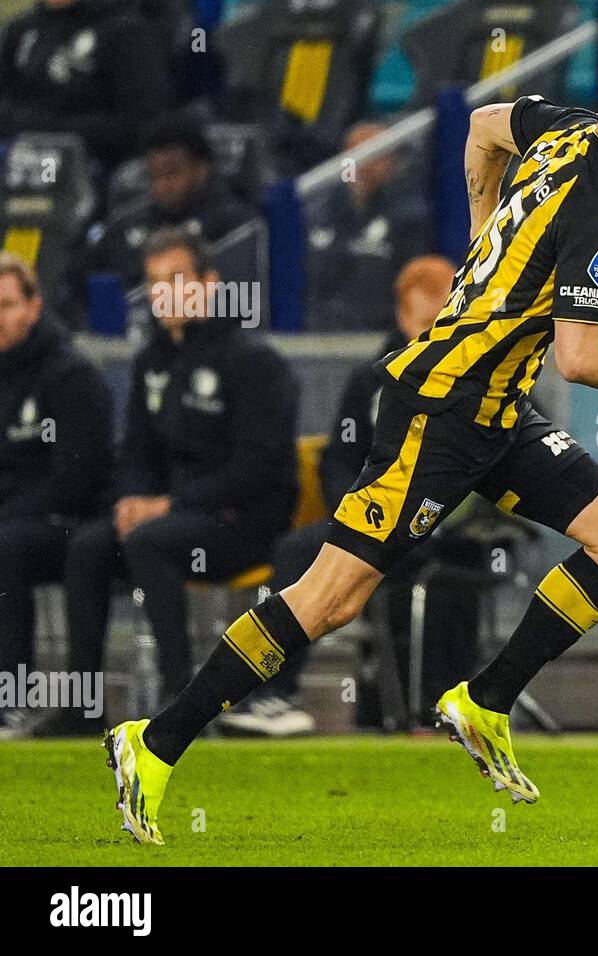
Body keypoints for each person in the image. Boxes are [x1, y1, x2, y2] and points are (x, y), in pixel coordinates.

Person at [102, 35, 598, 844]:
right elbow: (581, 359)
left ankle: (483, 701)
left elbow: (482, 125)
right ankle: (155, 743)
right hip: (439, 411)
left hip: (499, 410)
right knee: (330, 599)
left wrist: (482, 229)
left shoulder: (567, 127)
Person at [28, 228, 299, 737]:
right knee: (87, 546)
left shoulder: (254, 361)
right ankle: (82, 707)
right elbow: (135, 451)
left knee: (151, 542)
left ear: (211, 284)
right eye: (154, 283)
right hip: (172, 517)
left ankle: (183, 707)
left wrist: (168, 504)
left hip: (243, 523)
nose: (165, 294)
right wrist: (133, 498)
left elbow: (257, 470)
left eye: (177, 279)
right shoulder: (151, 359)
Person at [216, 254, 457, 737]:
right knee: (295, 551)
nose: (427, 332)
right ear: (401, 316)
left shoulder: (474, 374)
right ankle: (273, 694)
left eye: (439, 321)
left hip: (437, 528)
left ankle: (276, 693)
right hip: (368, 519)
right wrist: (352, 507)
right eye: (420, 321)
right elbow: (339, 458)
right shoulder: (373, 377)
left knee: (304, 553)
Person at [0, 252, 113, 732]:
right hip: (15, 519)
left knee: (6, 546)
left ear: (34, 306)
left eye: (6, 304)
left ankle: (12, 696)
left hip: (71, 523)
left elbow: (77, 478)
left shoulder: (71, 375)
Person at [0, 0, 173, 174]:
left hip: (99, 169)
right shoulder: (21, 30)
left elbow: (143, 122)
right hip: (19, 164)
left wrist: (48, 129)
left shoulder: (126, 31)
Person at [88, 116, 258, 290]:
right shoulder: (125, 226)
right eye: (154, 176)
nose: (162, 186)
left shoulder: (236, 227)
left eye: (172, 174)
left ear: (201, 170)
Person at [305, 121, 435, 332]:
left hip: (379, 333)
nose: (362, 166)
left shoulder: (410, 219)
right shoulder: (319, 214)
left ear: (392, 162)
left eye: (373, 156)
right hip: (318, 330)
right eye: (353, 157)